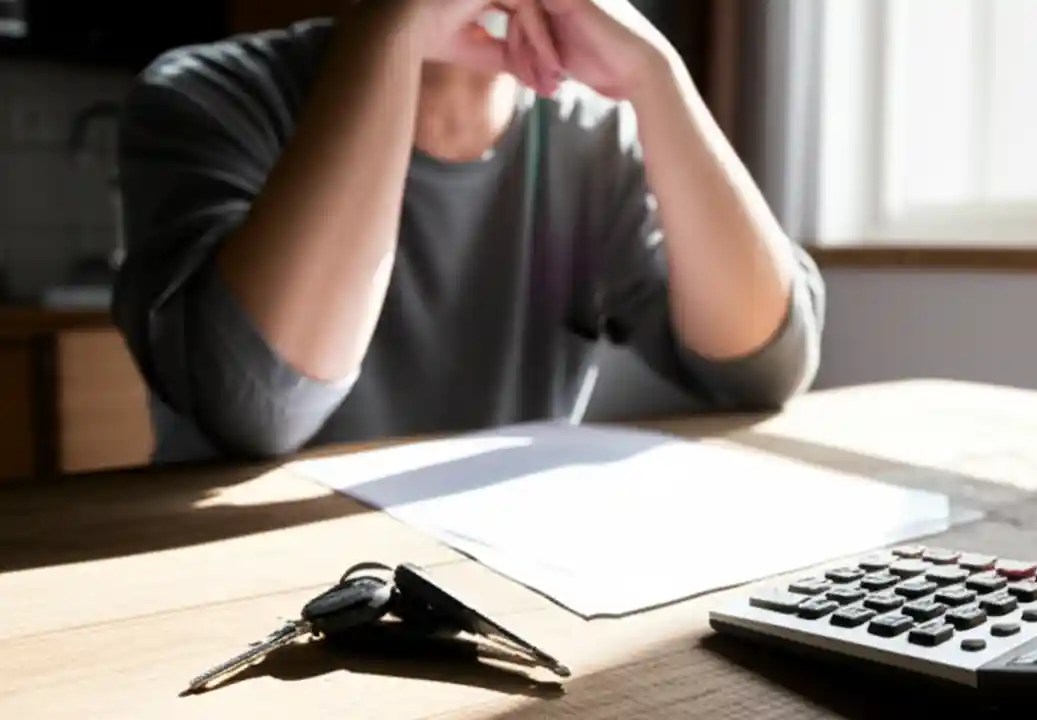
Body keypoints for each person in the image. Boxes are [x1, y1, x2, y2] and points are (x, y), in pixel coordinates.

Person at [111, 0, 825, 464]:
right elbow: (260, 407)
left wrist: (656, 77)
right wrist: (388, 36)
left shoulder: (594, 136)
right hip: (231, 574)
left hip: (493, 565)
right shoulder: (206, 96)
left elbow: (762, 369)